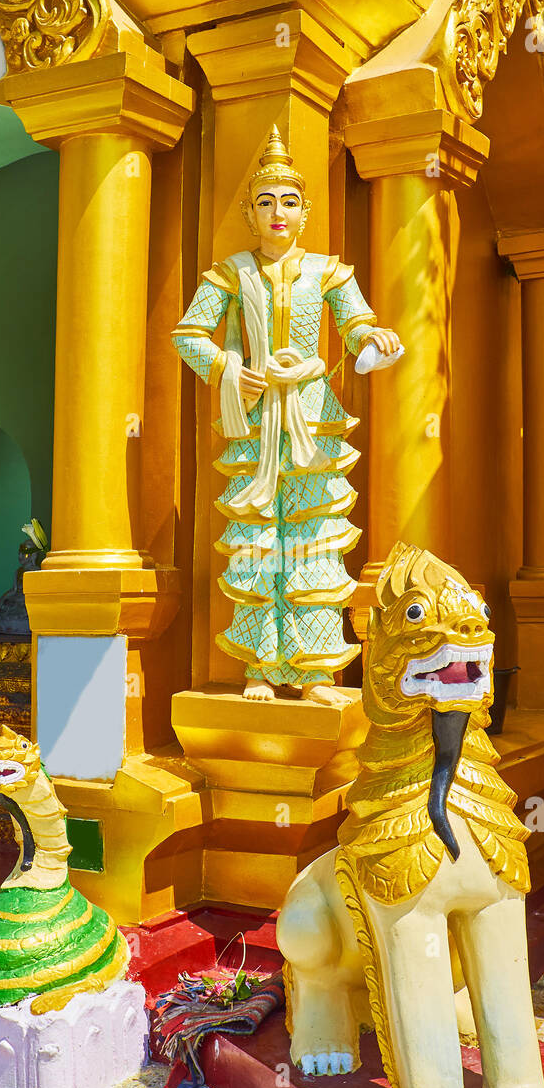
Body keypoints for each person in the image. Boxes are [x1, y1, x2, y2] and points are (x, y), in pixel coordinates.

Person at [172, 127, 401, 706]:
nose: (279, 212)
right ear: (251, 213)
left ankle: (315, 670)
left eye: (290, 201)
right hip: (254, 424)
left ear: (305, 212)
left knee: (312, 540)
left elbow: (355, 327)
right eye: (266, 202)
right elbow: (188, 334)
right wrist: (230, 367)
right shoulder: (230, 273)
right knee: (256, 540)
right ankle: (260, 667)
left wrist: (374, 338)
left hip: (311, 420)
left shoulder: (329, 273)